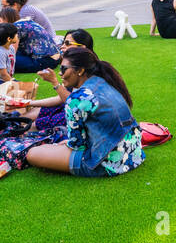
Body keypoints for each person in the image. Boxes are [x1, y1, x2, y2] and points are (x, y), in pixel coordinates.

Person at [24, 47, 145, 177]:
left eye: (64, 69)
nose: (60, 74)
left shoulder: (77, 98)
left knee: (33, 154)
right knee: (57, 142)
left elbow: (77, 144)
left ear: (80, 70)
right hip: (134, 154)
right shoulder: (104, 82)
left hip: (107, 162)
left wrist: (66, 144)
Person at [6, 6, 61, 73]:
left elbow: (11, 52)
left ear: (6, 19)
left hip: (45, 61)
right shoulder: (26, 22)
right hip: (53, 58)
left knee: (5, 60)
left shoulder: (15, 27)